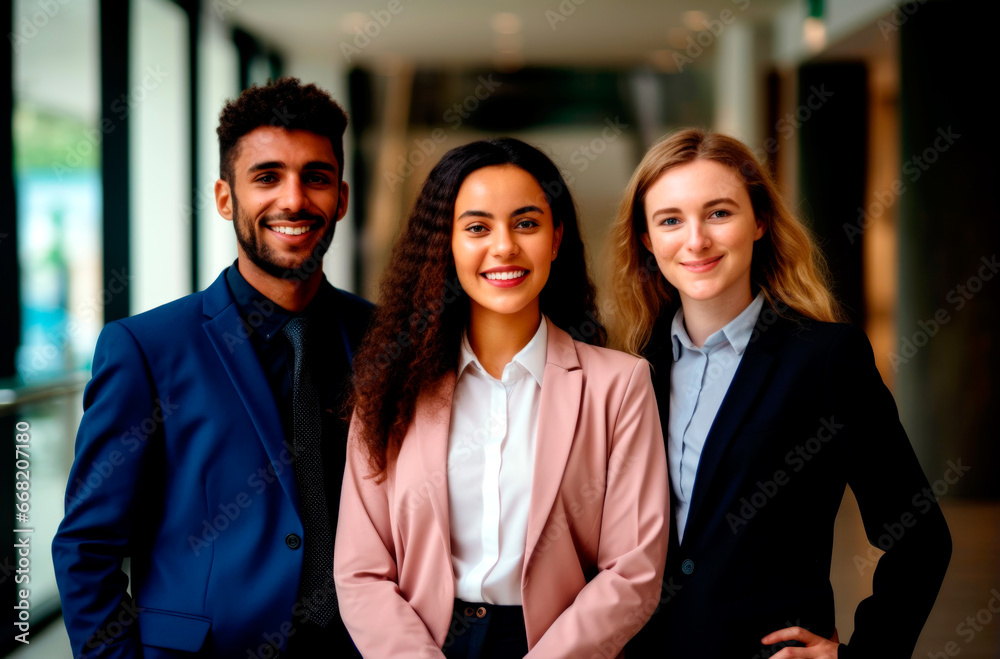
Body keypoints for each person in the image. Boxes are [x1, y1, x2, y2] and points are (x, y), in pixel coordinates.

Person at [52, 77, 370, 658]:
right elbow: (86, 547)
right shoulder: (144, 348)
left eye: (315, 177)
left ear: (341, 198)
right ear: (226, 198)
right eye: (267, 177)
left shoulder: (381, 339)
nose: (294, 200)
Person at [609, 128, 952, 658]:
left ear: (760, 221)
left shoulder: (824, 358)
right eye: (671, 220)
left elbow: (920, 537)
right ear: (648, 240)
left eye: (719, 213)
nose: (695, 240)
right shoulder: (626, 368)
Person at [334, 137, 669, 658]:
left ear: (556, 238)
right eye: (477, 227)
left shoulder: (619, 386)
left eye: (527, 223)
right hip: (424, 645)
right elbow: (361, 569)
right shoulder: (391, 384)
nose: (504, 246)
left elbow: (634, 571)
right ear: (446, 243)